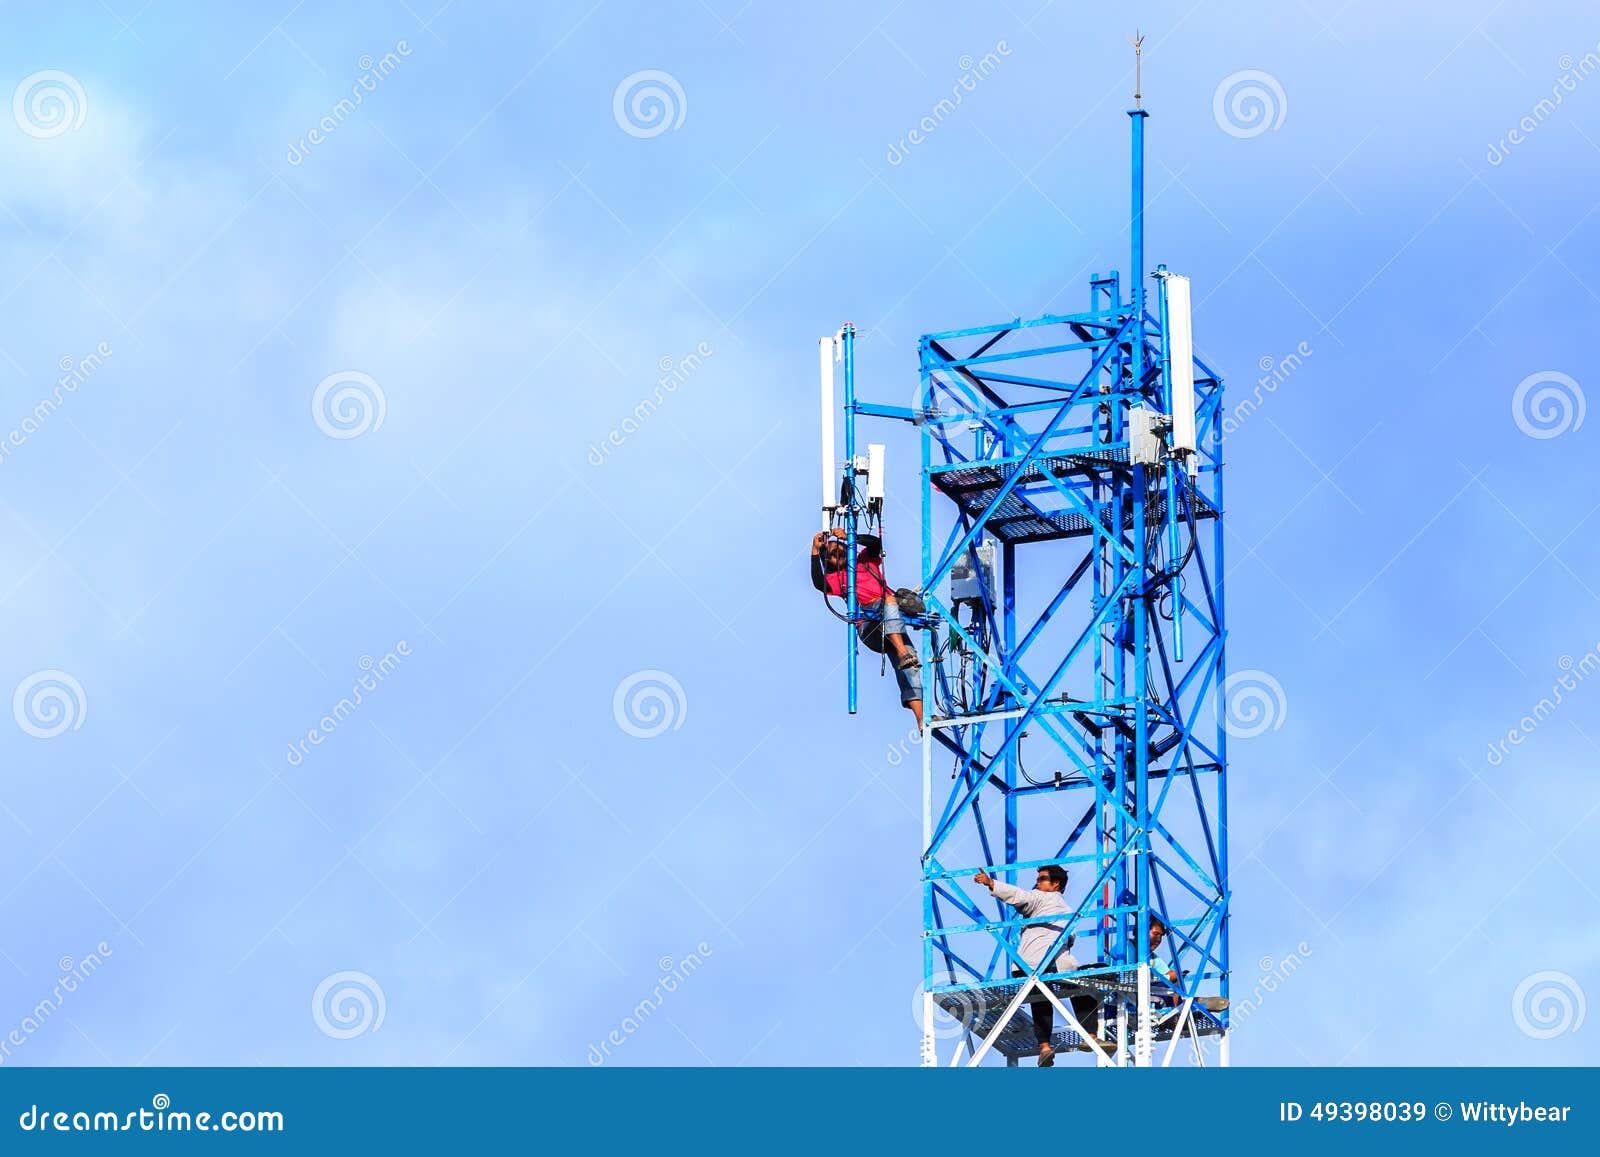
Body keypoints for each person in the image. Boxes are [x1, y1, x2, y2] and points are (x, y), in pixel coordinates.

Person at [974, 864, 1097, 1066]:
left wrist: (992, 883)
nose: (1037, 883)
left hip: (1031, 964)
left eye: (1041, 879)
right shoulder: (1068, 911)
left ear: (1055, 884)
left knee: (1040, 1002)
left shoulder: (1041, 897)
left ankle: (1045, 1047)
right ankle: (1090, 1035)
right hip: (1051, 964)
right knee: (1079, 989)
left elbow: (1019, 896)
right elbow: (1070, 939)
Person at [811, 527, 923, 729]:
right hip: (870, 626)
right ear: (828, 562)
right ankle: (902, 652)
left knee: (911, 670)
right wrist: (814, 550)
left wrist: (852, 537)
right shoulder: (837, 579)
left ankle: (921, 720)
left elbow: (875, 544)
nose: (839, 555)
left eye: (841, 550)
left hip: (891, 618)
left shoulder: (865, 561)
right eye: (833, 555)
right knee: (891, 606)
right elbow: (820, 584)